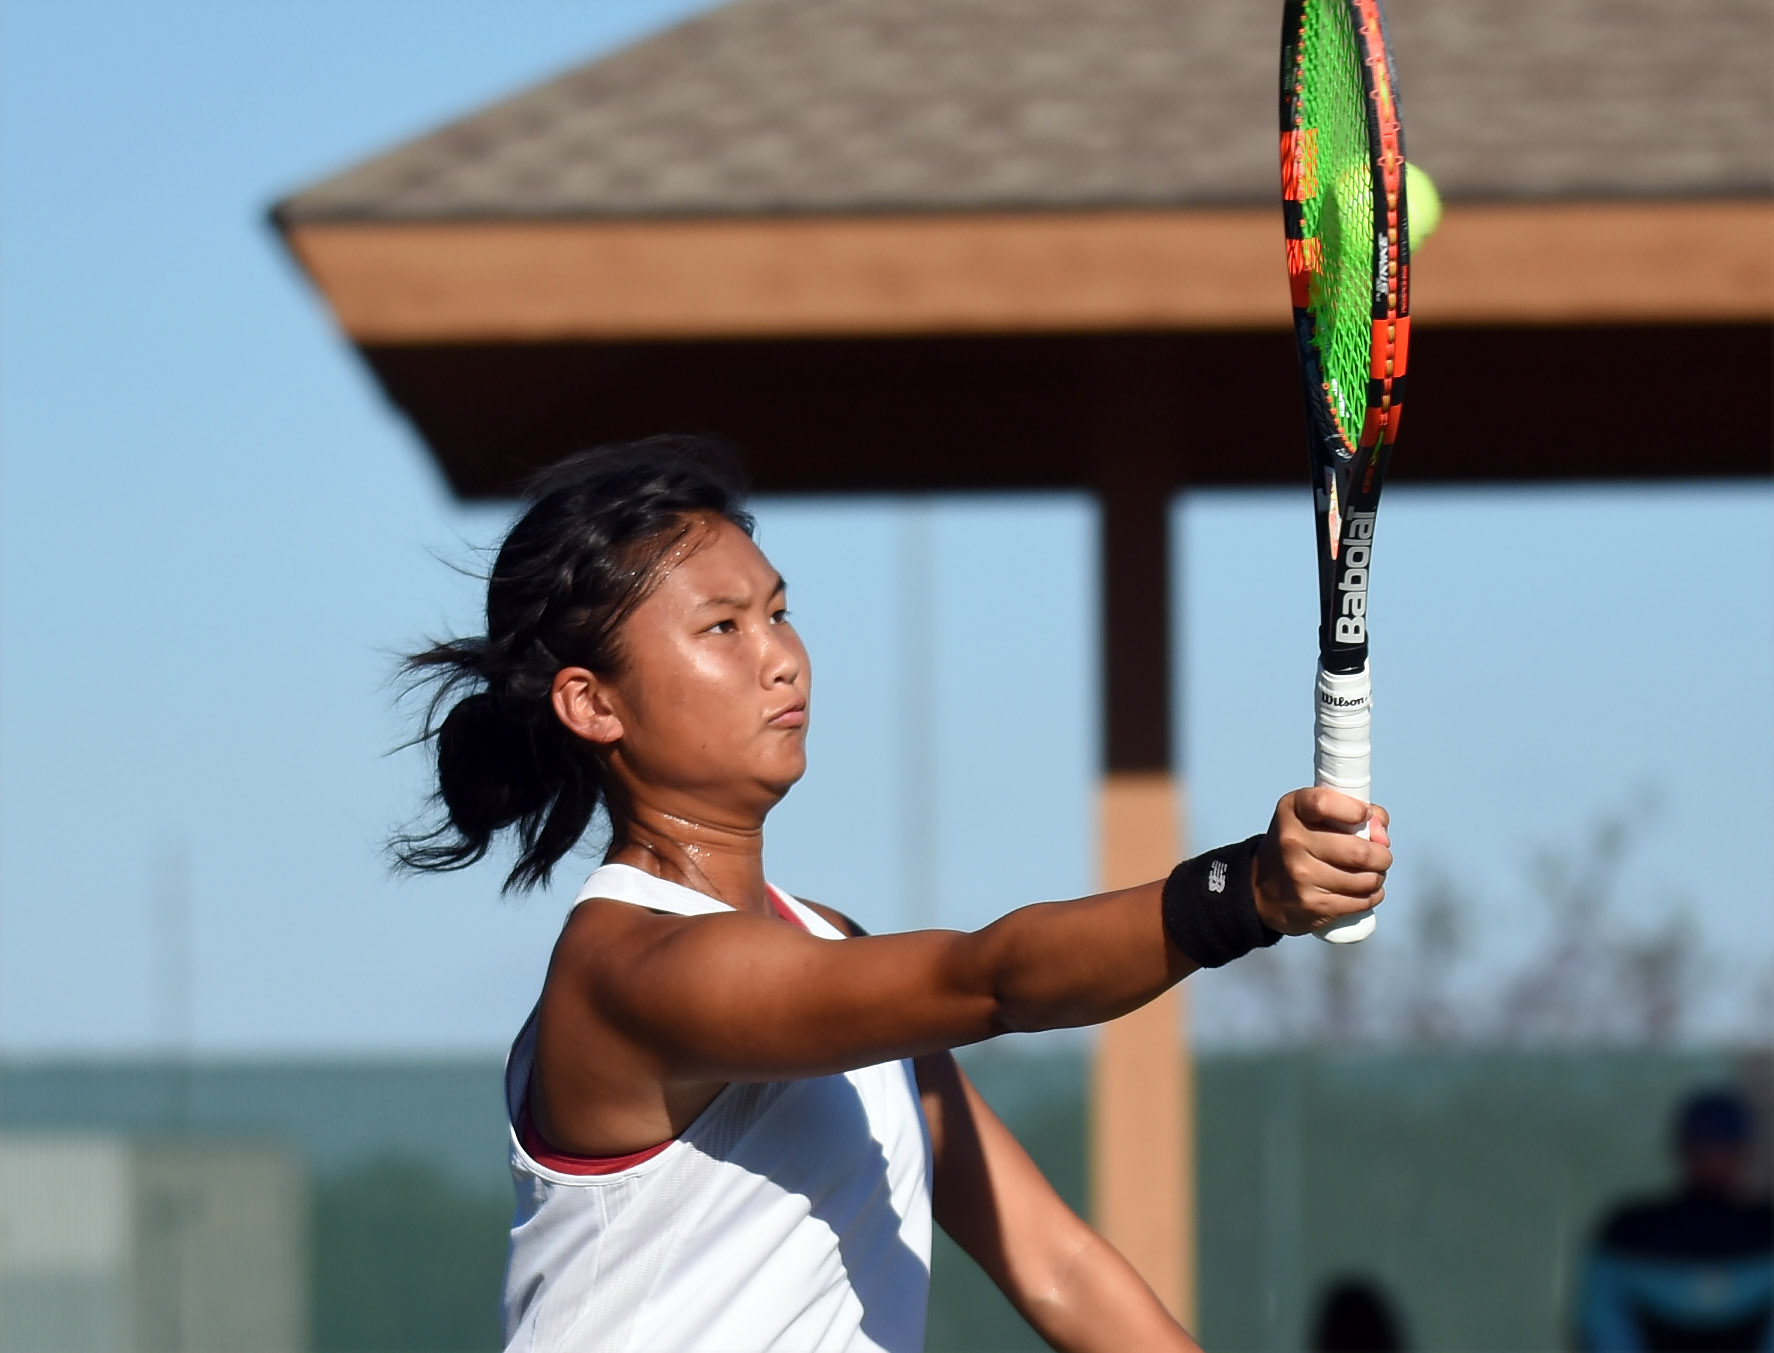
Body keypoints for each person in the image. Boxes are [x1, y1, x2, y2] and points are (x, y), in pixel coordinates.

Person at [397, 438, 1393, 1353]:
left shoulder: (823, 941)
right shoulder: (629, 974)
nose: (779, 655)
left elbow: (1054, 1264)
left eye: (778, 611)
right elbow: (989, 980)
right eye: (721, 627)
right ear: (592, 702)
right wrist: (1243, 893)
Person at [1576, 1088, 1773, 1351]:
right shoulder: (1628, 1231)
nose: (1714, 1157)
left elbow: (1602, 1331)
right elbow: (1602, 1328)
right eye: (1708, 1146)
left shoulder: (1630, 1230)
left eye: (1722, 1147)